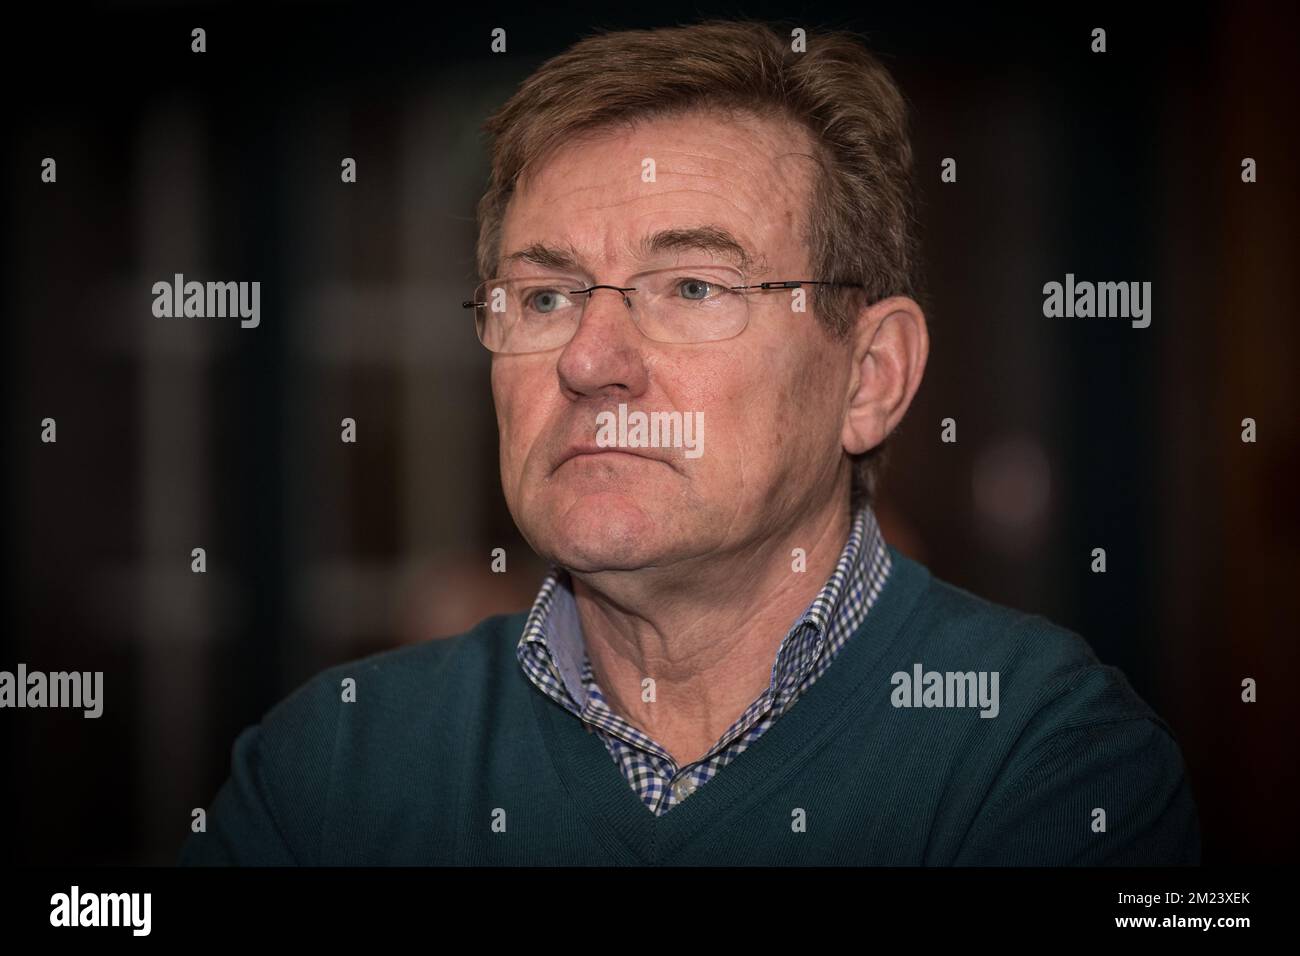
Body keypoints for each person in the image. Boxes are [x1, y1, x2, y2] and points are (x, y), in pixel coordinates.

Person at [180, 19, 1198, 865]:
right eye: (544, 295)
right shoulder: (331, 766)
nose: (589, 359)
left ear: (869, 375)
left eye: (695, 287)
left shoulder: (1044, 761)